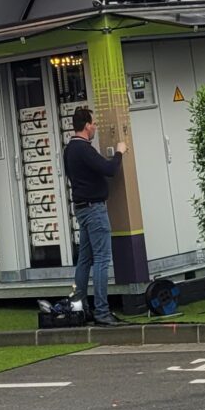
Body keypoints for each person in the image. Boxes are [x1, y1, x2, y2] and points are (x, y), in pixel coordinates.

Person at [63, 105, 127, 324]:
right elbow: (109, 170)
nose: (96, 127)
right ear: (87, 126)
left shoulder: (69, 150)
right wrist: (119, 151)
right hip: (95, 209)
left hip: (81, 208)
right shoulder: (84, 149)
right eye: (94, 124)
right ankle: (102, 311)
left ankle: (80, 308)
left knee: (84, 260)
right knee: (101, 259)